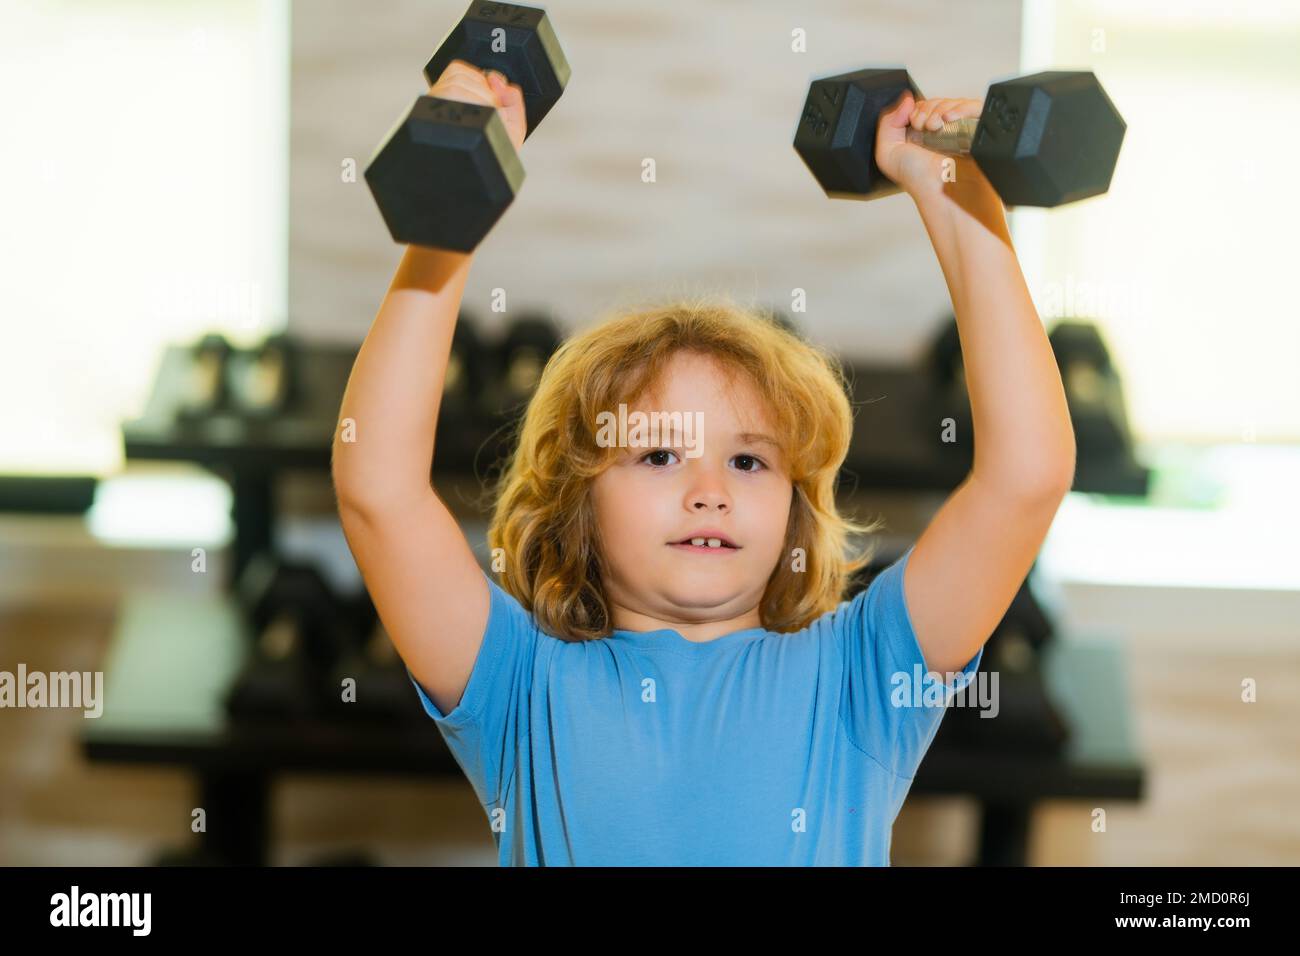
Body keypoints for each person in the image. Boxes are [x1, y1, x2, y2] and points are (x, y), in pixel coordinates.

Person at [331, 62, 1076, 865]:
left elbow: (1024, 477)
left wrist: (956, 197)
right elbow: (378, 490)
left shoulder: (862, 676)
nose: (709, 492)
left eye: (750, 463)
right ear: (577, 504)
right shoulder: (519, 686)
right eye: (657, 453)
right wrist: (450, 216)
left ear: (796, 507)